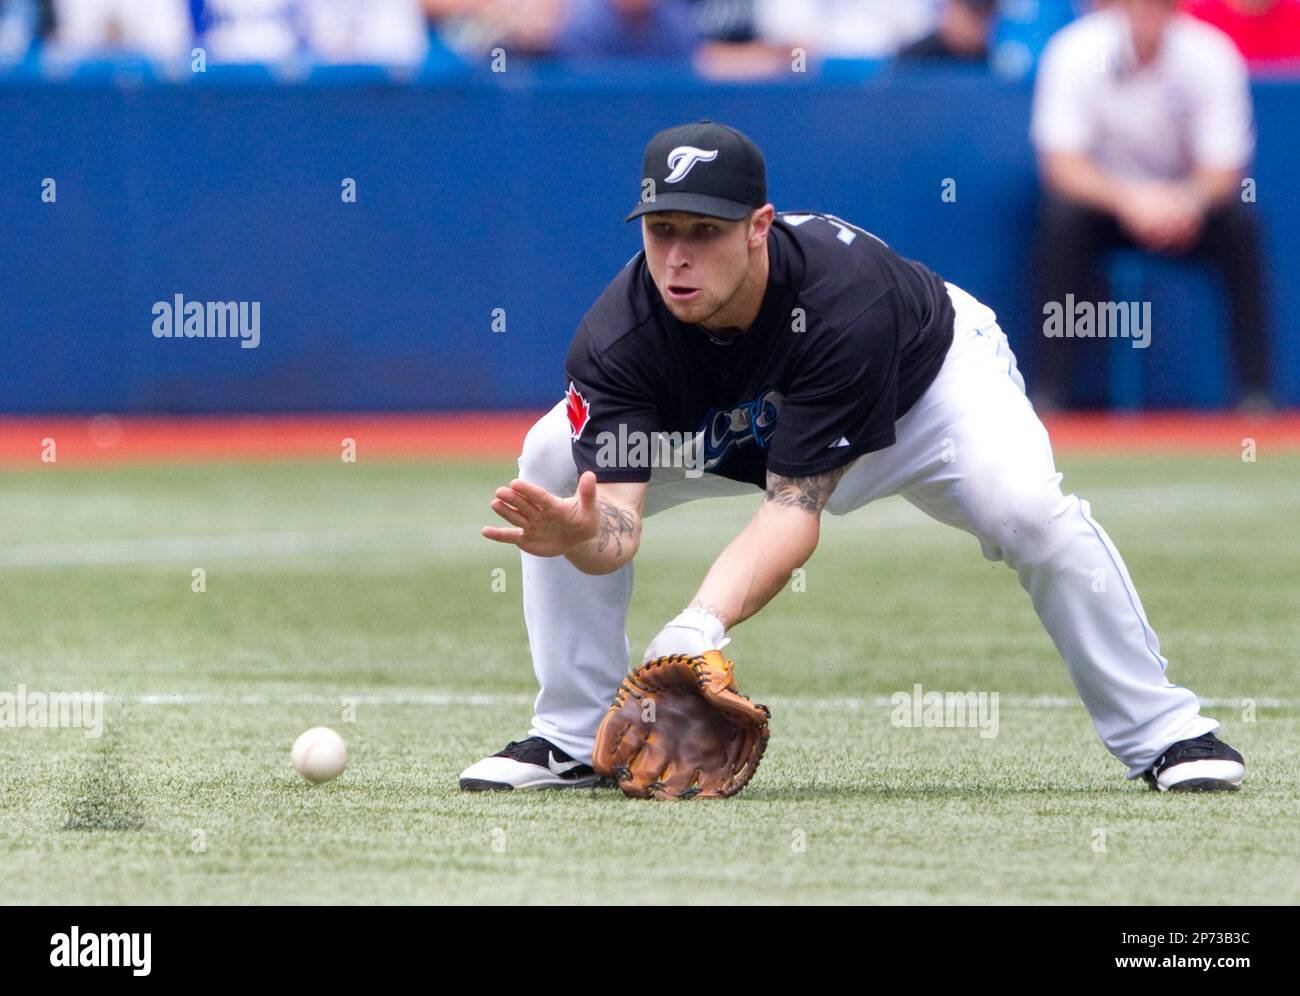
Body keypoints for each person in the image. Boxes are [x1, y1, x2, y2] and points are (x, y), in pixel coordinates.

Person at [458, 119, 1245, 794]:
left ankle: (1168, 733)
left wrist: (698, 625)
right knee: (554, 456)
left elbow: (794, 510)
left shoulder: (842, 298)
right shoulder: (620, 337)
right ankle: (569, 740)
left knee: (1027, 511)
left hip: (926, 395)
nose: (679, 258)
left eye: (706, 231)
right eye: (663, 230)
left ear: (759, 226)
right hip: (743, 429)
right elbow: (617, 523)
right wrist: (582, 538)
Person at [1031, 0, 1273, 411]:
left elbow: (1226, 165)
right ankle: (1051, 393)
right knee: (1060, 220)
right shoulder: (1073, 50)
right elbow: (1062, 165)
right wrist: (1130, 200)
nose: (1148, 11)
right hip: (1103, 207)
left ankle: (1255, 393)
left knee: (1240, 223)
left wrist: (1185, 201)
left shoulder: (1212, 54)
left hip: (1185, 208)